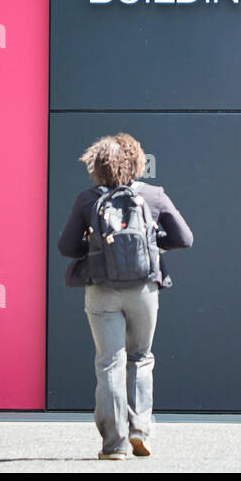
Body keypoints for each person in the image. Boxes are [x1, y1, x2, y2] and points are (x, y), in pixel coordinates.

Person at [57, 133, 193, 460]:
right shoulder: (154, 195)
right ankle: (139, 429)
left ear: (97, 165)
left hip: (101, 291)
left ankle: (114, 444)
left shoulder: (87, 200)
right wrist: (152, 242)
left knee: (110, 363)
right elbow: (184, 238)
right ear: (137, 162)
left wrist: (94, 248)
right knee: (140, 357)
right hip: (144, 290)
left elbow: (65, 248)